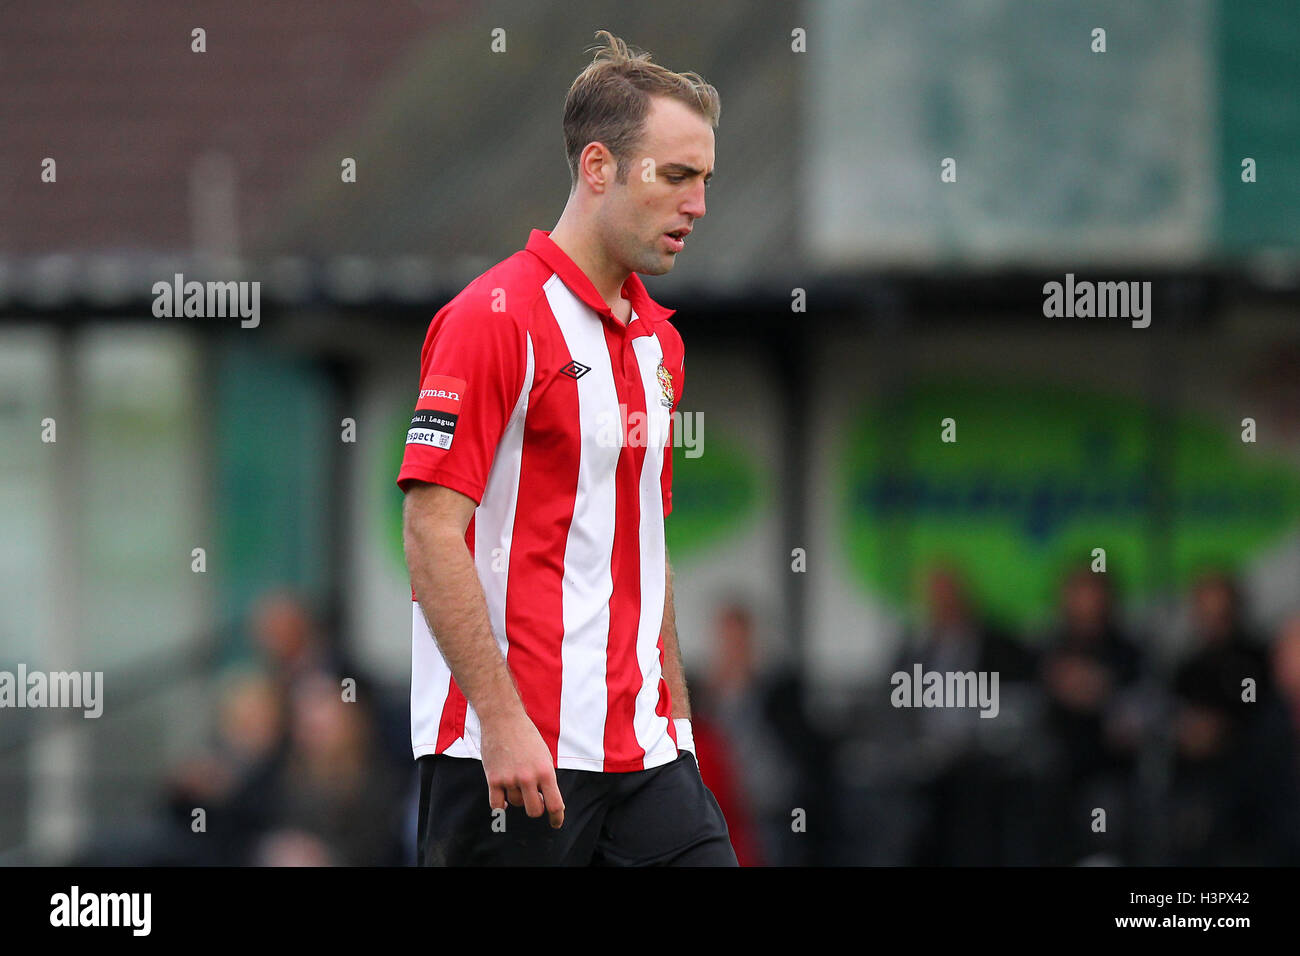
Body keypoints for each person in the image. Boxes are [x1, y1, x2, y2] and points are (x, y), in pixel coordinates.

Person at [397, 31, 734, 865]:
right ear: (597, 169)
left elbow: (642, 556)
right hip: (511, 763)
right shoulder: (491, 320)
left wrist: (679, 723)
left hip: (645, 757)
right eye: (676, 176)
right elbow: (431, 531)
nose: (697, 204)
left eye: (706, 181)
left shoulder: (661, 343)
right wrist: (504, 723)